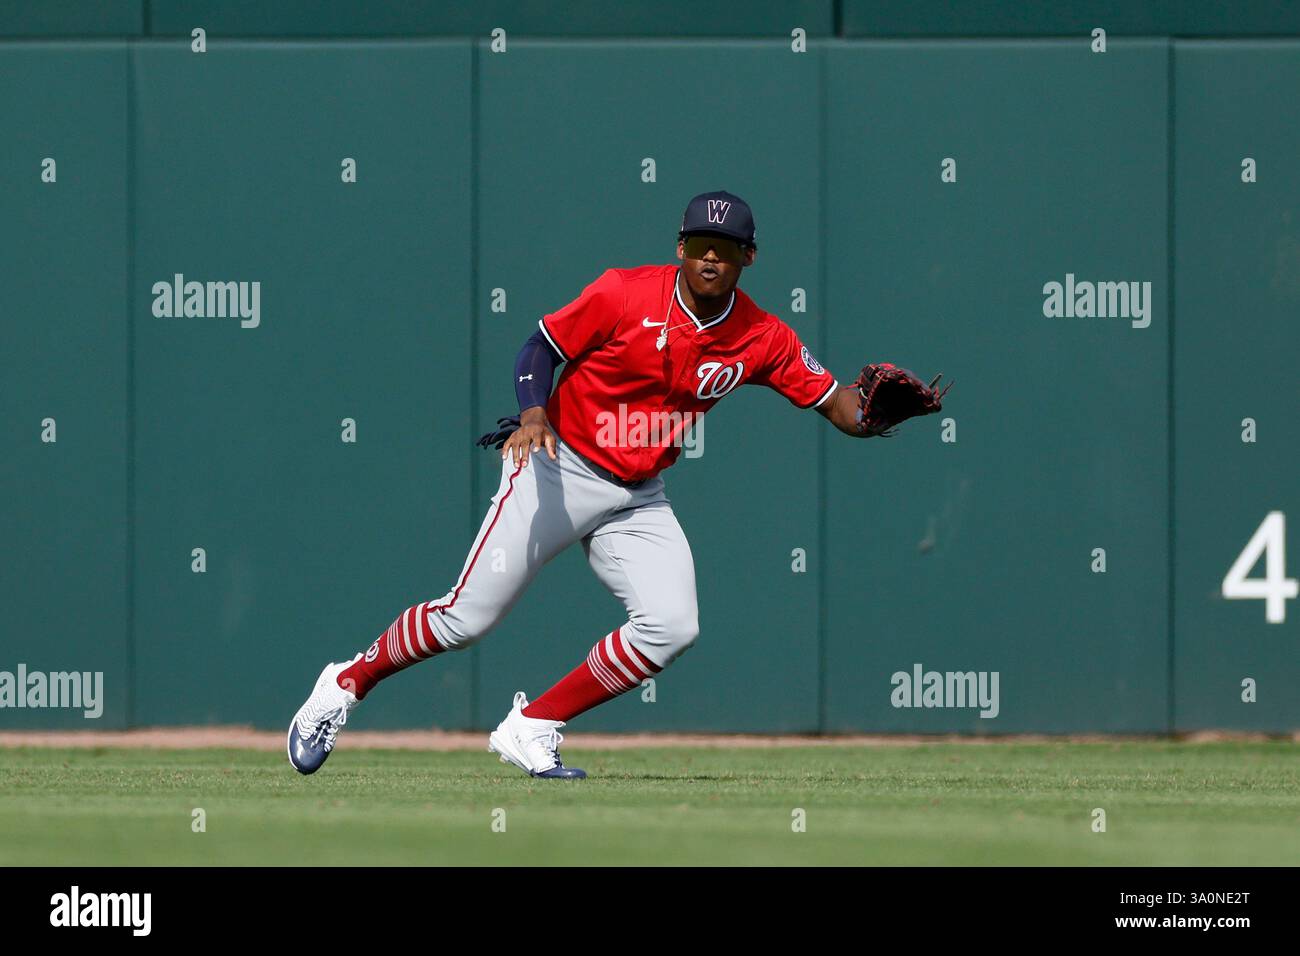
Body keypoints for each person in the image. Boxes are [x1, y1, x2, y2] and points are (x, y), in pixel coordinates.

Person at [288, 190, 916, 778]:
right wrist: (533, 413)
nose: (710, 257)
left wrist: (871, 415)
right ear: (680, 247)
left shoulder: (762, 336)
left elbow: (837, 404)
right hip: (556, 464)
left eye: (725, 248)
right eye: (699, 243)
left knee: (673, 626)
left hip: (638, 494)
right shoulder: (624, 293)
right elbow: (540, 346)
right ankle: (343, 684)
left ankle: (531, 725)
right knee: (466, 620)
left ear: (748, 258)